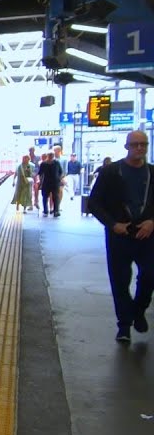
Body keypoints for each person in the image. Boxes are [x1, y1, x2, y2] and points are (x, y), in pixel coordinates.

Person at [87, 131, 154, 342]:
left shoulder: (152, 173)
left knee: (150, 275)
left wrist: (152, 221)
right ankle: (124, 326)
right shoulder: (111, 172)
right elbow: (94, 203)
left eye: (143, 144)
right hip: (119, 235)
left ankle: (139, 310)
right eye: (135, 145)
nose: (140, 148)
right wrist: (113, 224)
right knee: (120, 281)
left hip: (148, 235)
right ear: (127, 147)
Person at [37, 151, 62, 217]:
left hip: (55, 183)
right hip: (46, 183)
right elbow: (40, 173)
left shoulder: (57, 163)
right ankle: (45, 210)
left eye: (52, 155)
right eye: (50, 155)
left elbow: (60, 172)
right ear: (47, 156)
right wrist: (40, 181)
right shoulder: (43, 164)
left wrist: (59, 179)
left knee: (55, 197)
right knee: (45, 197)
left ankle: (56, 211)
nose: (51, 156)